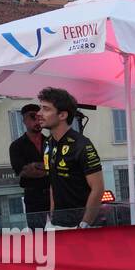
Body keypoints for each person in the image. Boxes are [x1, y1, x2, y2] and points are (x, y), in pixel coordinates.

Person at [38, 87, 104, 228]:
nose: (39, 113)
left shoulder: (82, 145)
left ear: (62, 115)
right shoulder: (48, 143)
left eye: (46, 109)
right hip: (57, 223)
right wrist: (51, 219)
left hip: (80, 225)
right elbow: (53, 183)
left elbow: (98, 188)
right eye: (40, 108)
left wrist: (85, 224)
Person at [7, 103, 49, 228]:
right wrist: (48, 168)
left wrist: (35, 166)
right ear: (24, 120)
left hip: (54, 193)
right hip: (33, 196)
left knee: (62, 231)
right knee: (38, 234)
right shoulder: (17, 146)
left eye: (39, 117)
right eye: (32, 117)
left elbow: (58, 167)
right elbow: (23, 171)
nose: (37, 121)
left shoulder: (51, 142)